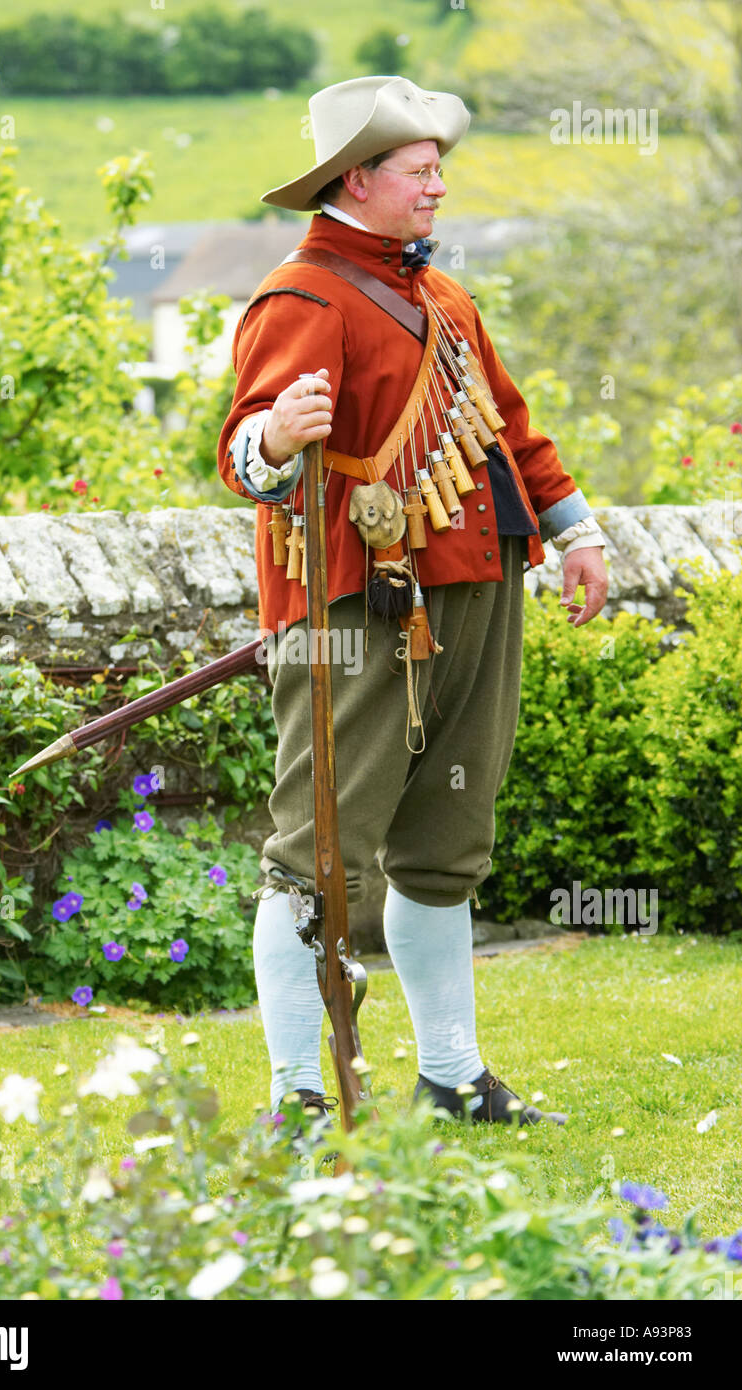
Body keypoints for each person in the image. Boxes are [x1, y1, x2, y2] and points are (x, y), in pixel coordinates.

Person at [216, 76, 608, 1128]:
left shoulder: (441, 296)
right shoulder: (301, 298)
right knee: (315, 855)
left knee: (445, 840)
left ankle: (451, 1073)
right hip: (357, 609)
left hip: (477, 589)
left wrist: (578, 533)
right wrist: (278, 439)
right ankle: (297, 1097)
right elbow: (241, 452)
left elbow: (511, 429)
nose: (439, 181)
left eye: (440, 163)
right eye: (418, 166)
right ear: (357, 178)